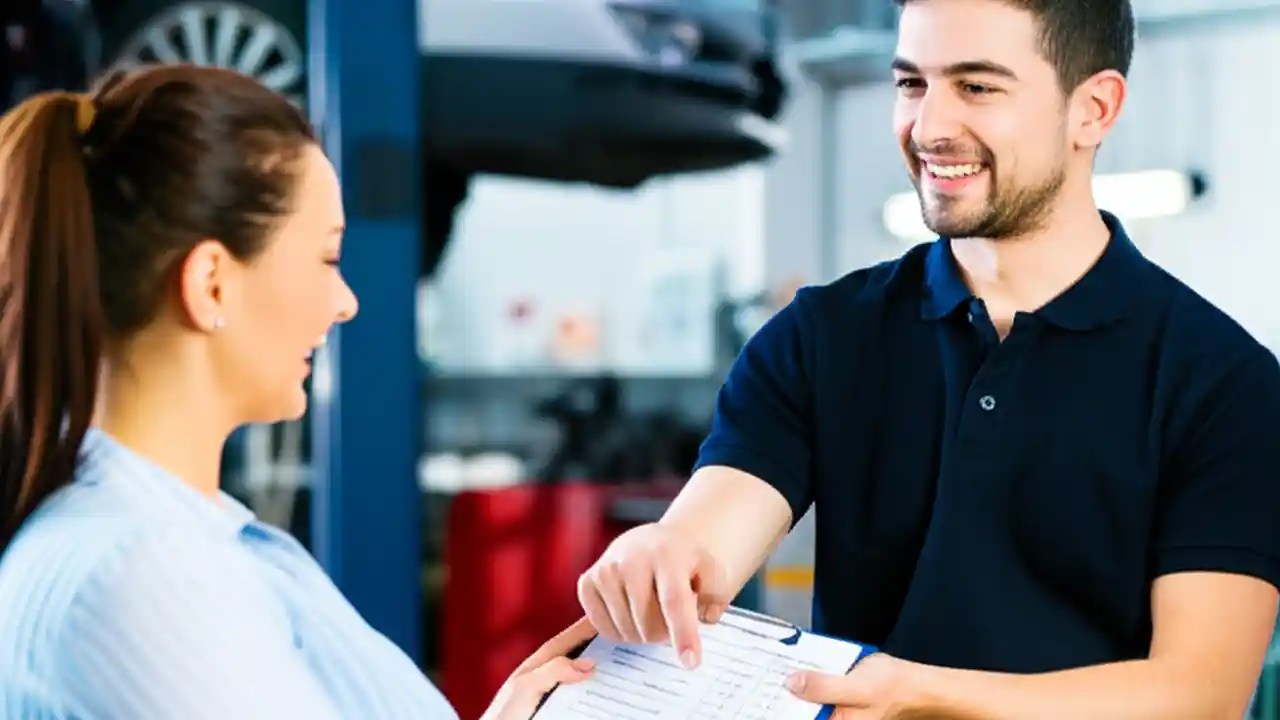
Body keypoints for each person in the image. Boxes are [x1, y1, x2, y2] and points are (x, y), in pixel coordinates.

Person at [576, 0, 1280, 717]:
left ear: (1093, 109)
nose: (930, 127)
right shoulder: (821, 336)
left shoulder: (1223, 384)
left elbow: (1200, 694)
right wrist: (661, 560)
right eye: (912, 84)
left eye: (977, 87)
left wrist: (919, 691)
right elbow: (707, 539)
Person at [0, 64, 594, 719]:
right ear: (213, 284)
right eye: (326, 258)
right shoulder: (139, 574)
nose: (345, 303)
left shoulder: (176, 537)